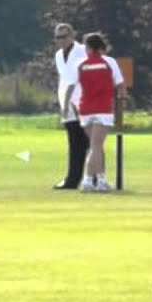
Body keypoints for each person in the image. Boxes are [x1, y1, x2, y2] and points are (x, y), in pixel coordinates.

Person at [62, 32, 126, 193]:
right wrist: (120, 100)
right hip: (103, 108)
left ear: (88, 47)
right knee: (96, 146)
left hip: (85, 108)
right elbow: (120, 85)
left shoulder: (81, 63)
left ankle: (102, 180)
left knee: (96, 146)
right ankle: (88, 180)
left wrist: (65, 106)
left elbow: (70, 86)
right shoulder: (109, 62)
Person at [52, 23, 88, 190]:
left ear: (72, 35)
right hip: (67, 104)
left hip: (83, 100)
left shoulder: (82, 50)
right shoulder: (59, 55)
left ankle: (94, 178)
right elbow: (64, 79)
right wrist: (62, 102)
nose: (62, 41)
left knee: (90, 142)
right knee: (74, 143)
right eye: (58, 37)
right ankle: (72, 179)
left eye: (64, 36)